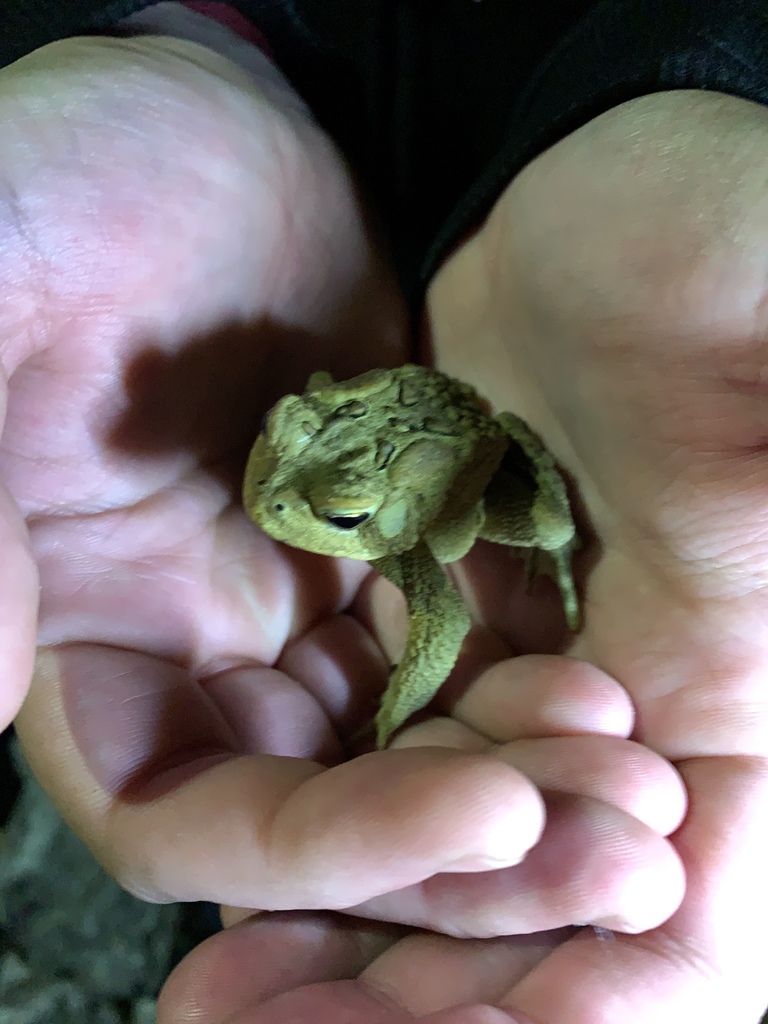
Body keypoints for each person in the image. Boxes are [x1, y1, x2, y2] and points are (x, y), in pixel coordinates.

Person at [3, 2, 768, 1022]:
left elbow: (440, 610)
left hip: (480, 420)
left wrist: (397, 707)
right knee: (282, 839)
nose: (274, 501)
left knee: (536, 529)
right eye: (281, 449)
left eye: (337, 513)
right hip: (326, 119)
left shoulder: (416, 532)